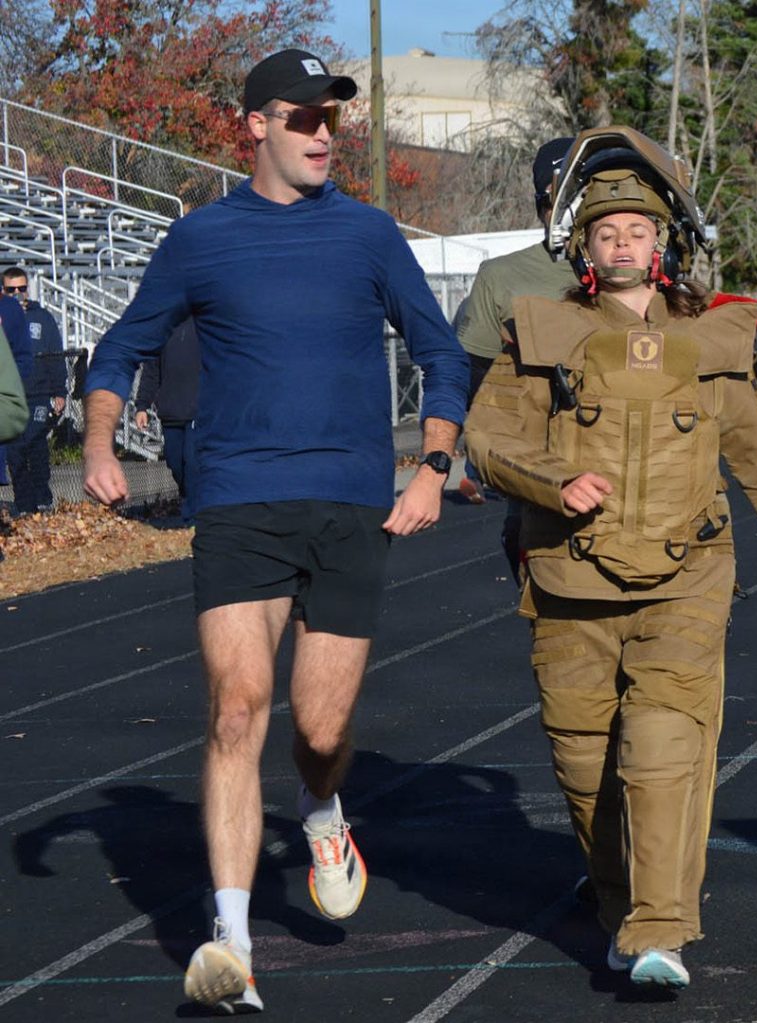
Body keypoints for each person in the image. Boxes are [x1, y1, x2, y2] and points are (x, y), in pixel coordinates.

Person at [80, 49, 468, 1015]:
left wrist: (432, 464)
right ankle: (233, 939)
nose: (322, 132)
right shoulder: (200, 238)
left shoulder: (372, 235)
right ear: (252, 125)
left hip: (348, 504)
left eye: (331, 117)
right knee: (237, 709)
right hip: (238, 500)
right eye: (301, 117)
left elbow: (440, 351)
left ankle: (325, 810)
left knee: (320, 730)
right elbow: (124, 344)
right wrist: (98, 442)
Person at [464, 126, 757, 992]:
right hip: (568, 581)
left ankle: (659, 930)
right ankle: (620, 909)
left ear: (663, 244)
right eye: (605, 232)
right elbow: (487, 441)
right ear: (581, 247)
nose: (621, 243)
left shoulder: (715, 337)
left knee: (662, 748)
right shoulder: (540, 332)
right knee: (582, 764)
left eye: (637, 230)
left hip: (686, 579)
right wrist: (553, 478)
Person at [450, 136, 576, 507]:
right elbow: (471, 377)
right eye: (564, 196)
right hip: (541, 479)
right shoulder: (502, 276)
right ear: (543, 205)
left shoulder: (637, 272)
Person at [2, 267, 67, 515]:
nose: (18, 293)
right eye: (11, 290)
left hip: (39, 394)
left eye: (22, 288)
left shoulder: (43, 318)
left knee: (35, 443)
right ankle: (25, 506)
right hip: (10, 398)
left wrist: (59, 391)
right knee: (15, 453)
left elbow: (55, 357)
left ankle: (42, 500)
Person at [133, 317, 200, 507]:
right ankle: (189, 495)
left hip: (199, 412)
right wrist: (141, 406)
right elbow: (151, 372)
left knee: (193, 462)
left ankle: (194, 511)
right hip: (171, 411)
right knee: (174, 461)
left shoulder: (206, 325)